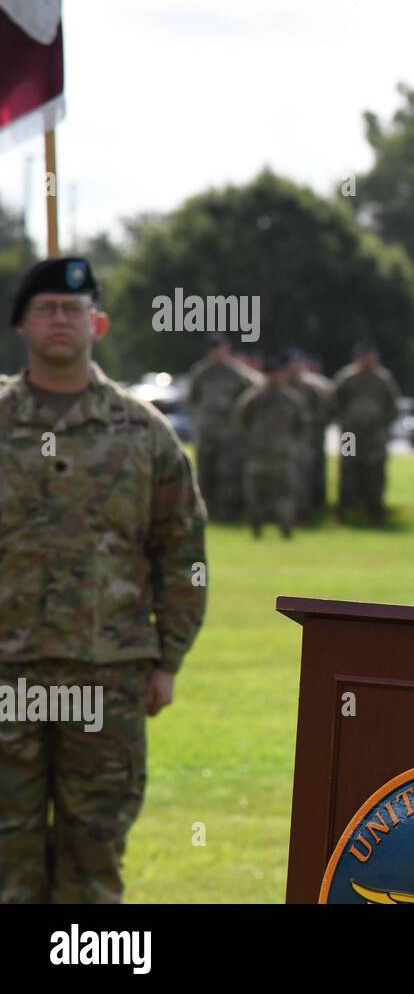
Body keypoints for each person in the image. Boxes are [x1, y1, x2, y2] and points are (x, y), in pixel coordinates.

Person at [0, 257, 207, 902]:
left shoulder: (143, 432)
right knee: (8, 850)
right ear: (20, 327)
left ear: (99, 322)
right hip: (8, 673)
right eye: (46, 309)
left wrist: (168, 659)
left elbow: (182, 552)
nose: (60, 320)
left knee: (95, 854)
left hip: (107, 676)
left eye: (73, 308)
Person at [186, 336, 262, 522]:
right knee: (205, 473)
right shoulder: (200, 373)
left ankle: (229, 513)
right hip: (206, 432)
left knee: (228, 474)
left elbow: (255, 393)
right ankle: (205, 513)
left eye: (221, 349)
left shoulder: (239, 374)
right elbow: (192, 399)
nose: (217, 354)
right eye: (214, 350)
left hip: (230, 433)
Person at [235, 351, 308, 539]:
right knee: (255, 495)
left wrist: (291, 446)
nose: (273, 377)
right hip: (258, 455)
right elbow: (240, 423)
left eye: (276, 373)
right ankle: (256, 529)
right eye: (269, 374)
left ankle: (286, 529)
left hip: (283, 456)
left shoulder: (291, 399)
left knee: (285, 495)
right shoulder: (251, 399)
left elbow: (300, 426)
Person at [331, 341, 401, 524]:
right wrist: (344, 421)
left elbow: (392, 406)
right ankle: (345, 511)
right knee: (347, 471)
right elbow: (334, 403)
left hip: (374, 435)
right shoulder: (346, 378)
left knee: (375, 472)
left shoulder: (383, 379)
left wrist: (383, 425)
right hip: (350, 435)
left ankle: (375, 512)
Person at [285, 349, 334, 520]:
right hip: (287, 439)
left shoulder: (313, 387)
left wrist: (316, 429)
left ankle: (308, 509)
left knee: (309, 474)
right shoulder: (281, 385)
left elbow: (325, 412)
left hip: (311, 438)